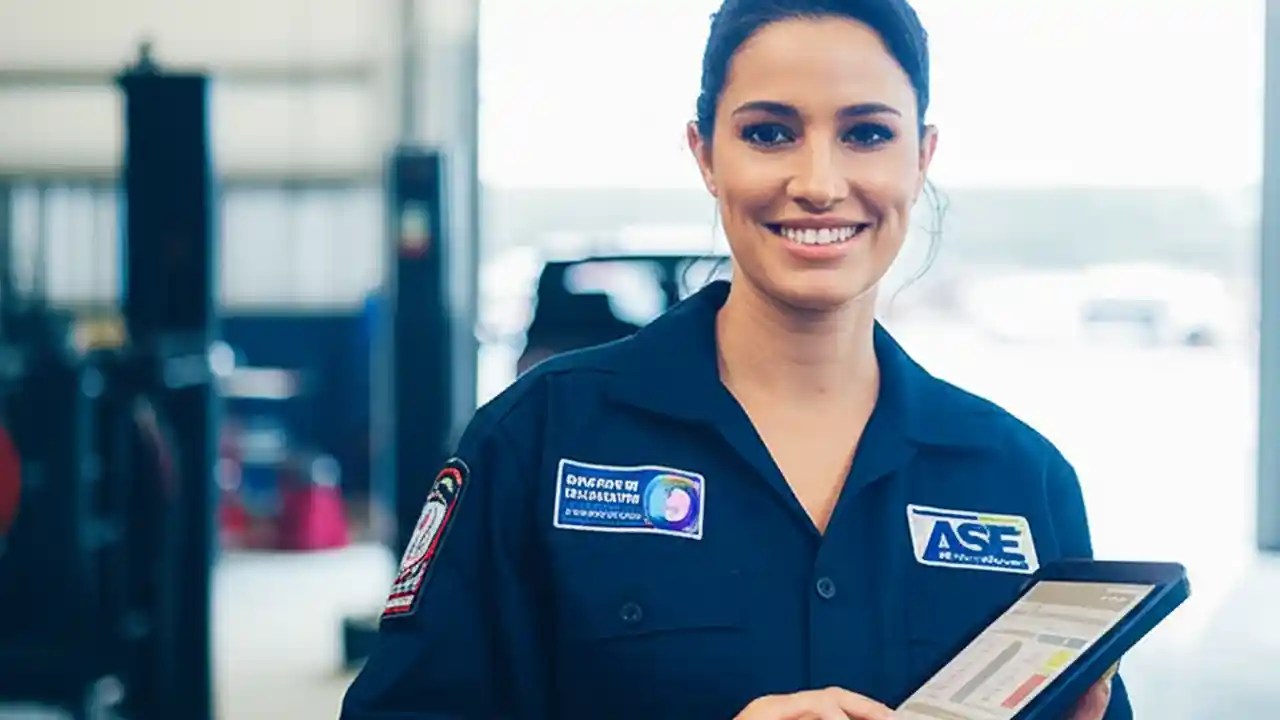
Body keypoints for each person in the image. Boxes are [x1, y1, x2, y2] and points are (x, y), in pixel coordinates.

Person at [341, 0, 1131, 717]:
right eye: (769, 133)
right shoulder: (539, 440)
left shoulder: (1019, 480)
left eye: (866, 133)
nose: (819, 183)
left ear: (921, 157)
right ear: (705, 154)